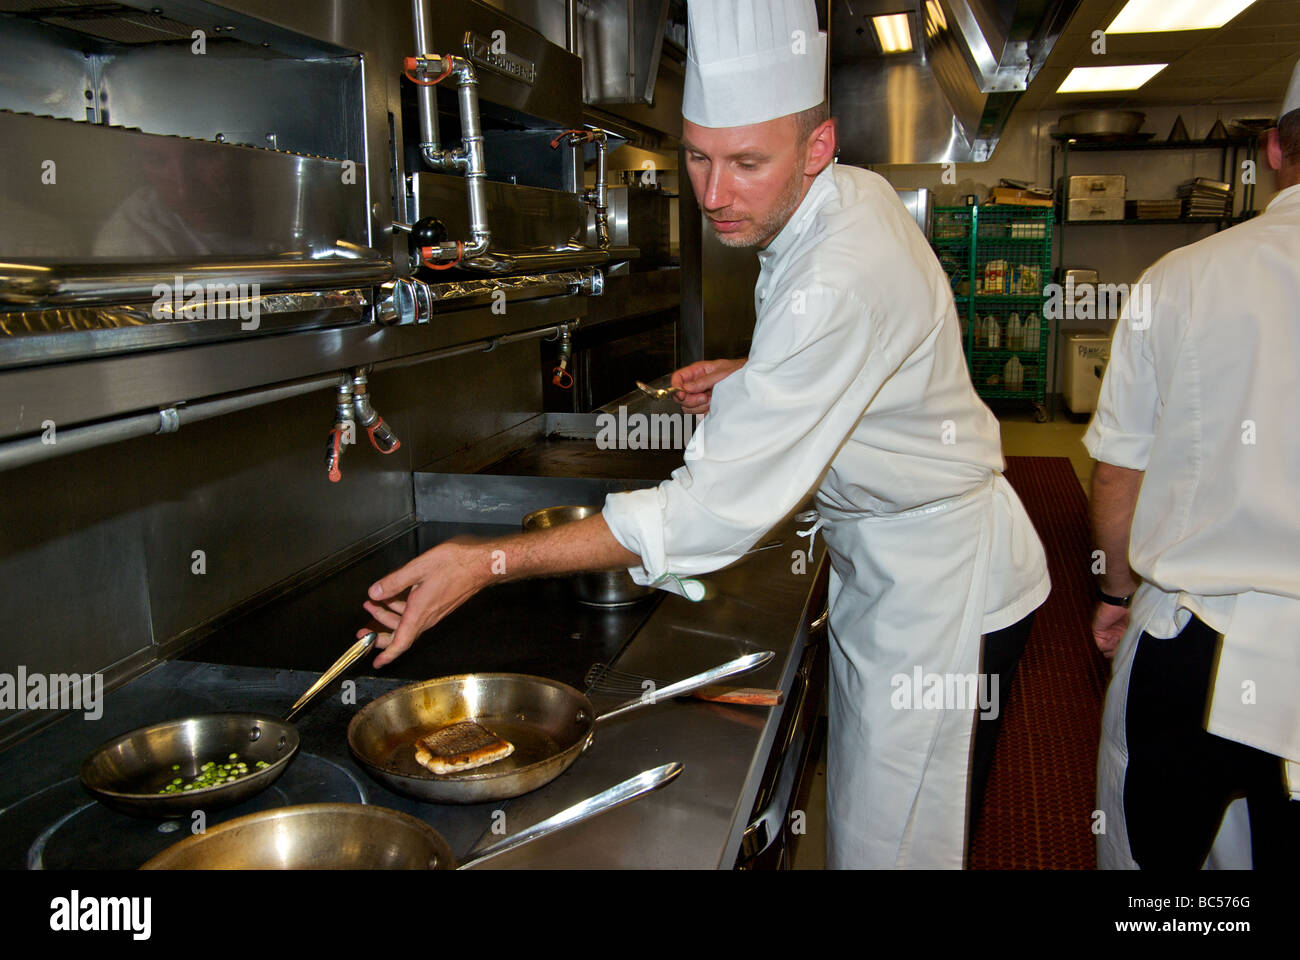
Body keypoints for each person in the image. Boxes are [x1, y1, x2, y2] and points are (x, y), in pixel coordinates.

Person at [359, 0, 1049, 869]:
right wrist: (761, 376)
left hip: (942, 590)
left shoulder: (836, 276)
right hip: (898, 564)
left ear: (818, 147)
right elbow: (861, 356)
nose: (716, 195)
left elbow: (710, 515)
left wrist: (486, 562)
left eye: (747, 163)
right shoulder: (840, 201)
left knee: (895, 848)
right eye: (697, 156)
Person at [1085, 64, 1300, 869]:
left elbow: (1118, 473)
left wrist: (1113, 593)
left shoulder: (1179, 279)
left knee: (1159, 876)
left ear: (1274, 148)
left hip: (1192, 639)